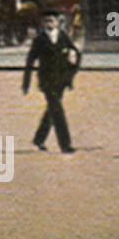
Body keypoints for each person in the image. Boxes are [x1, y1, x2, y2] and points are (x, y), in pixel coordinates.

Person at [22, 8, 82, 153]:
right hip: (47, 80)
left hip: (61, 80)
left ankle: (39, 139)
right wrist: (26, 82)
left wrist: (71, 72)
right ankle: (65, 144)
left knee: (52, 110)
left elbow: (76, 54)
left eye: (52, 21)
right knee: (57, 111)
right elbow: (30, 61)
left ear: (57, 22)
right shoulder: (39, 40)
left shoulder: (63, 37)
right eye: (46, 21)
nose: (49, 23)